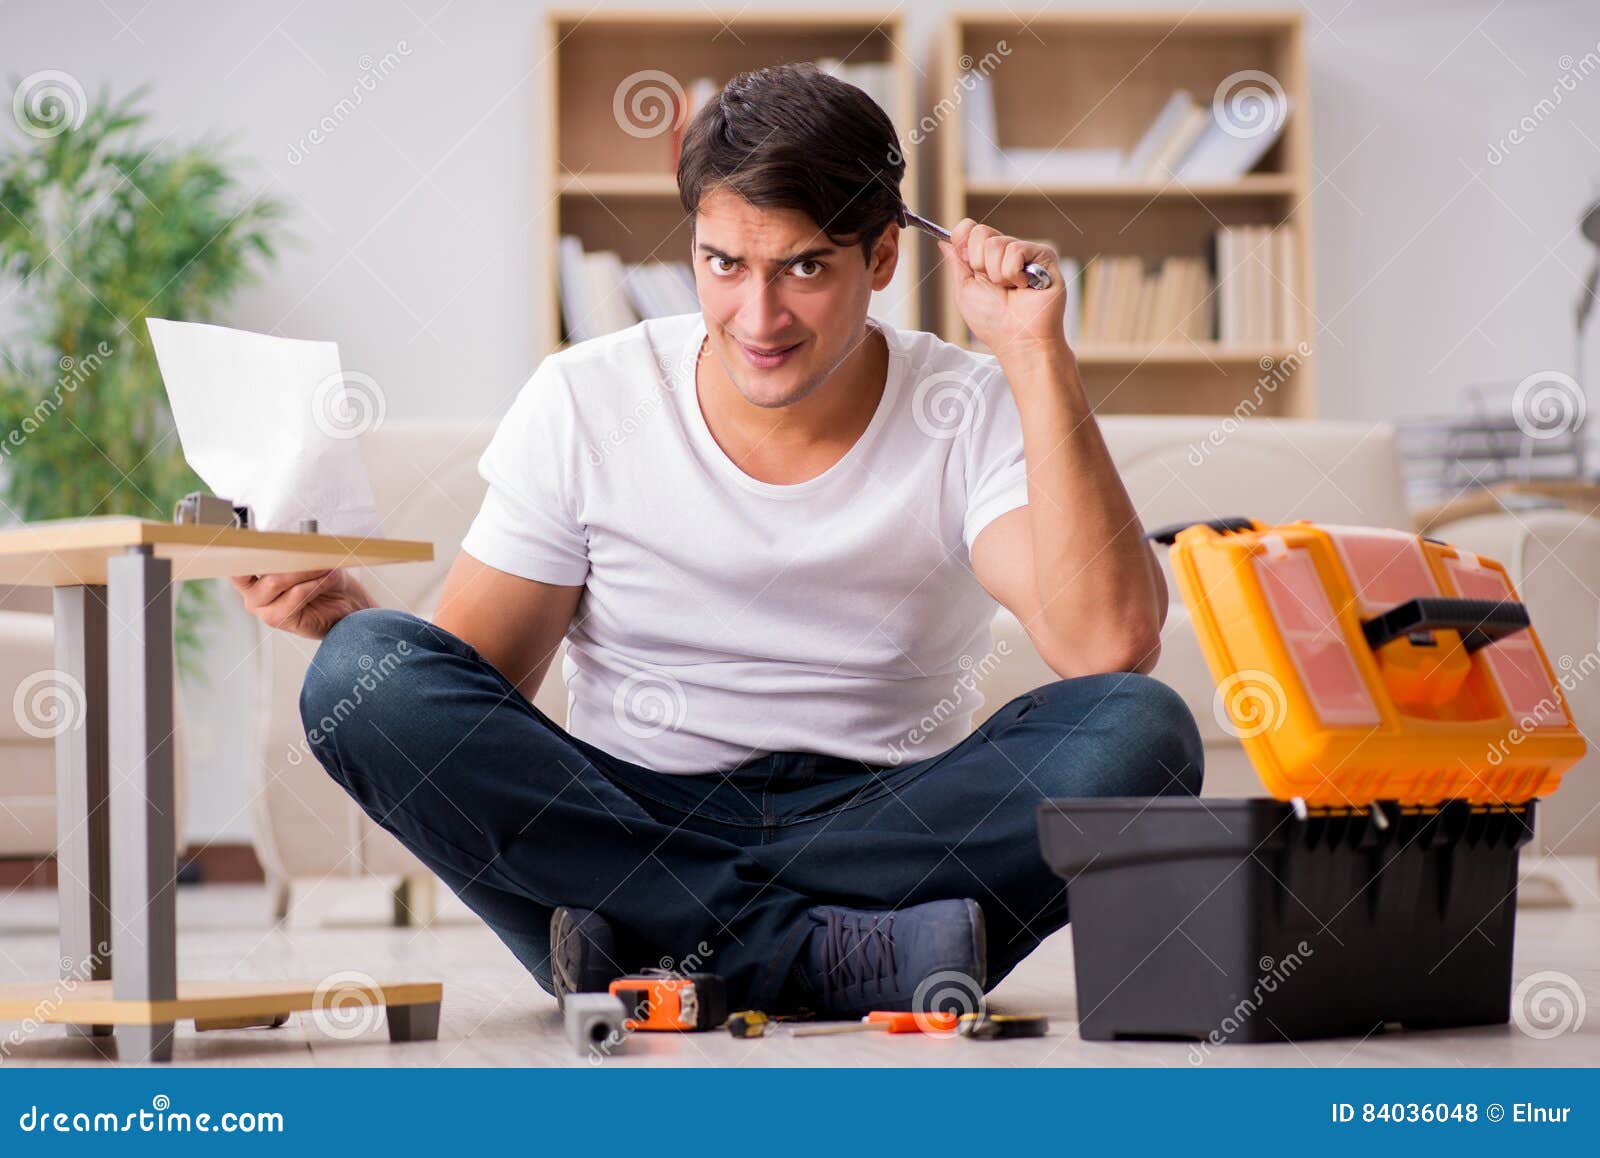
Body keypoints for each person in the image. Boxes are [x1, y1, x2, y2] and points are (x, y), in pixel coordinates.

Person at [233, 62, 1202, 1021]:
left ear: (882, 258)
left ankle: (669, 955)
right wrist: (355, 628)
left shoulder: (963, 403)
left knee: (1137, 733)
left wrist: (1036, 353)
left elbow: (1106, 647)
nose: (758, 317)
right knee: (363, 671)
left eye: (805, 267)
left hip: (879, 830)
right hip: (631, 820)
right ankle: (833, 959)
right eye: (723, 264)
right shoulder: (589, 397)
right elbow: (473, 695)